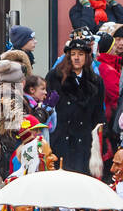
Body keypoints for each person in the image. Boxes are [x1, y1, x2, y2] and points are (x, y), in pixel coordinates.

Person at [45, 30, 105, 174]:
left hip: (84, 139)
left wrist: (100, 135)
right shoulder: (55, 76)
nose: (77, 58)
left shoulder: (95, 81)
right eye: (73, 54)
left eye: (80, 54)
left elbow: (98, 112)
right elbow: (48, 105)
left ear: (87, 56)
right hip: (61, 137)